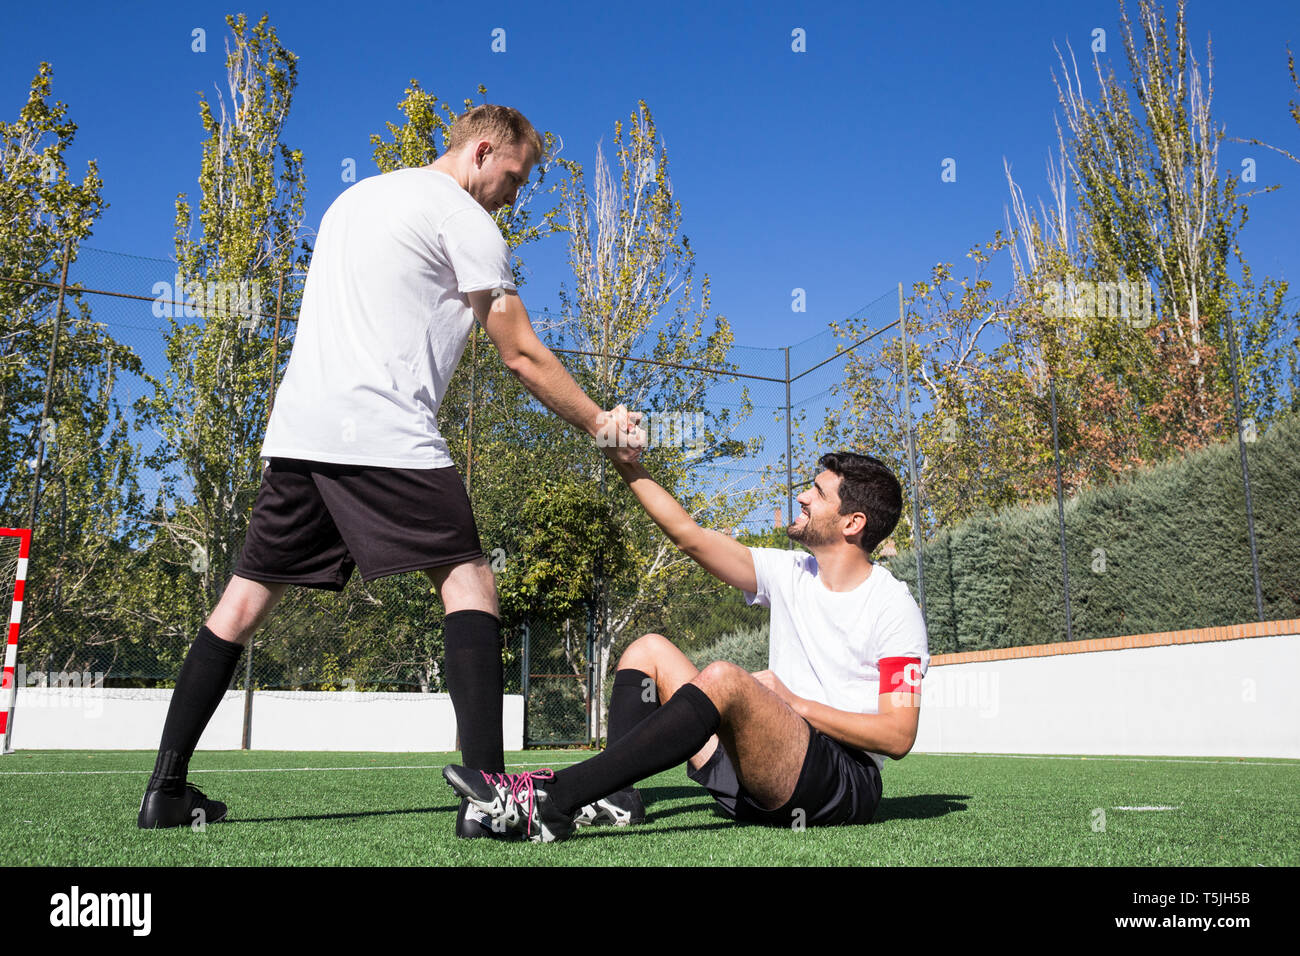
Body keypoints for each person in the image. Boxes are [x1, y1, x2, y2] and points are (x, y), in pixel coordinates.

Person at [137, 104, 643, 837]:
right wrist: (600, 422)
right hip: (380, 432)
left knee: (242, 604)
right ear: (480, 151)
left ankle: (165, 790)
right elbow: (520, 351)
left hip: (301, 432)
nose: (515, 192)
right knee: (470, 581)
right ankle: (491, 801)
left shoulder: (354, 199)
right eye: (515, 175)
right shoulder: (464, 219)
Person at [444, 448, 929, 842]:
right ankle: (618, 799)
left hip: (839, 784)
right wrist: (625, 463)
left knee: (724, 678)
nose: (801, 496)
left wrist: (795, 703)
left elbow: (897, 736)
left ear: (852, 523)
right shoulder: (790, 572)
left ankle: (553, 801)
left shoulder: (892, 606)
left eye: (818, 492)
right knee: (648, 650)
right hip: (758, 774)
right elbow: (689, 536)